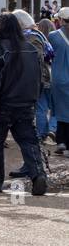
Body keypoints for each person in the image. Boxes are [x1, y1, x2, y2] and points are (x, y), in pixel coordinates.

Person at [0, 13, 47, 196]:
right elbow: (39, 79)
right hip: (25, 104)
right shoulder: (31, 49)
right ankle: (38, 175)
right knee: (29, 141)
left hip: (1, 105)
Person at [51, 9, 69, 156]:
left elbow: (47, 56)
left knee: (60, 110)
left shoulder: (53, 36)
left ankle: (61, 141)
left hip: (59, 78)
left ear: (61, 20)